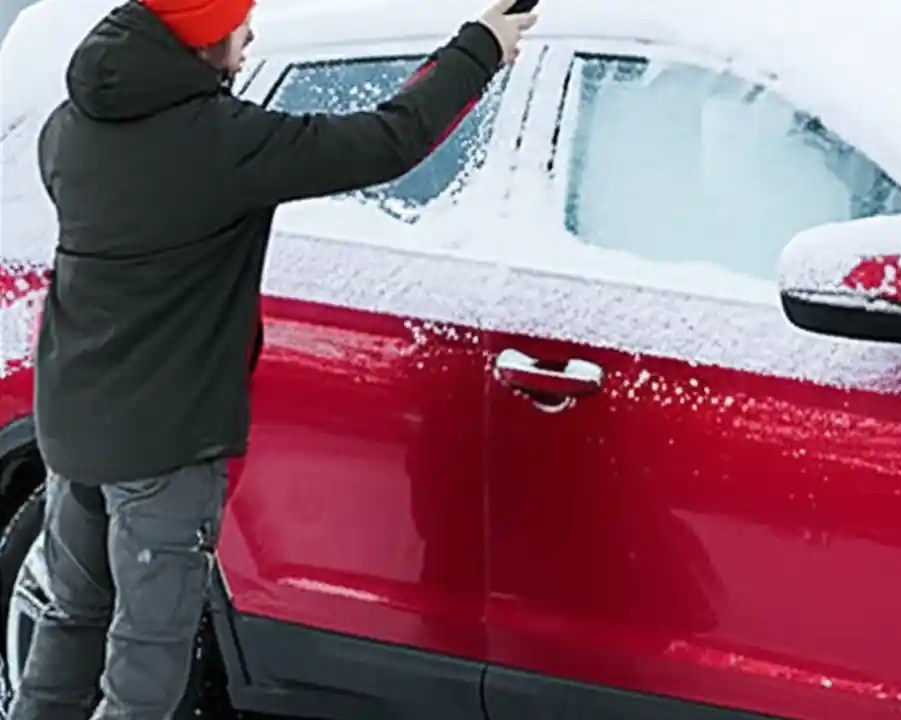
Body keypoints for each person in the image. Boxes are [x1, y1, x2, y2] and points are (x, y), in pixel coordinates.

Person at [8, 0, 535, 717]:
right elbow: (386, 140)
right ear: (198, 39)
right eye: (237, 22)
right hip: (164, 444)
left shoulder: (69, 129)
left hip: (76, 425)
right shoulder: (221, 144)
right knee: (145, 669)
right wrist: (479, 50)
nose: (250, 32)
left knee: (69, 621)